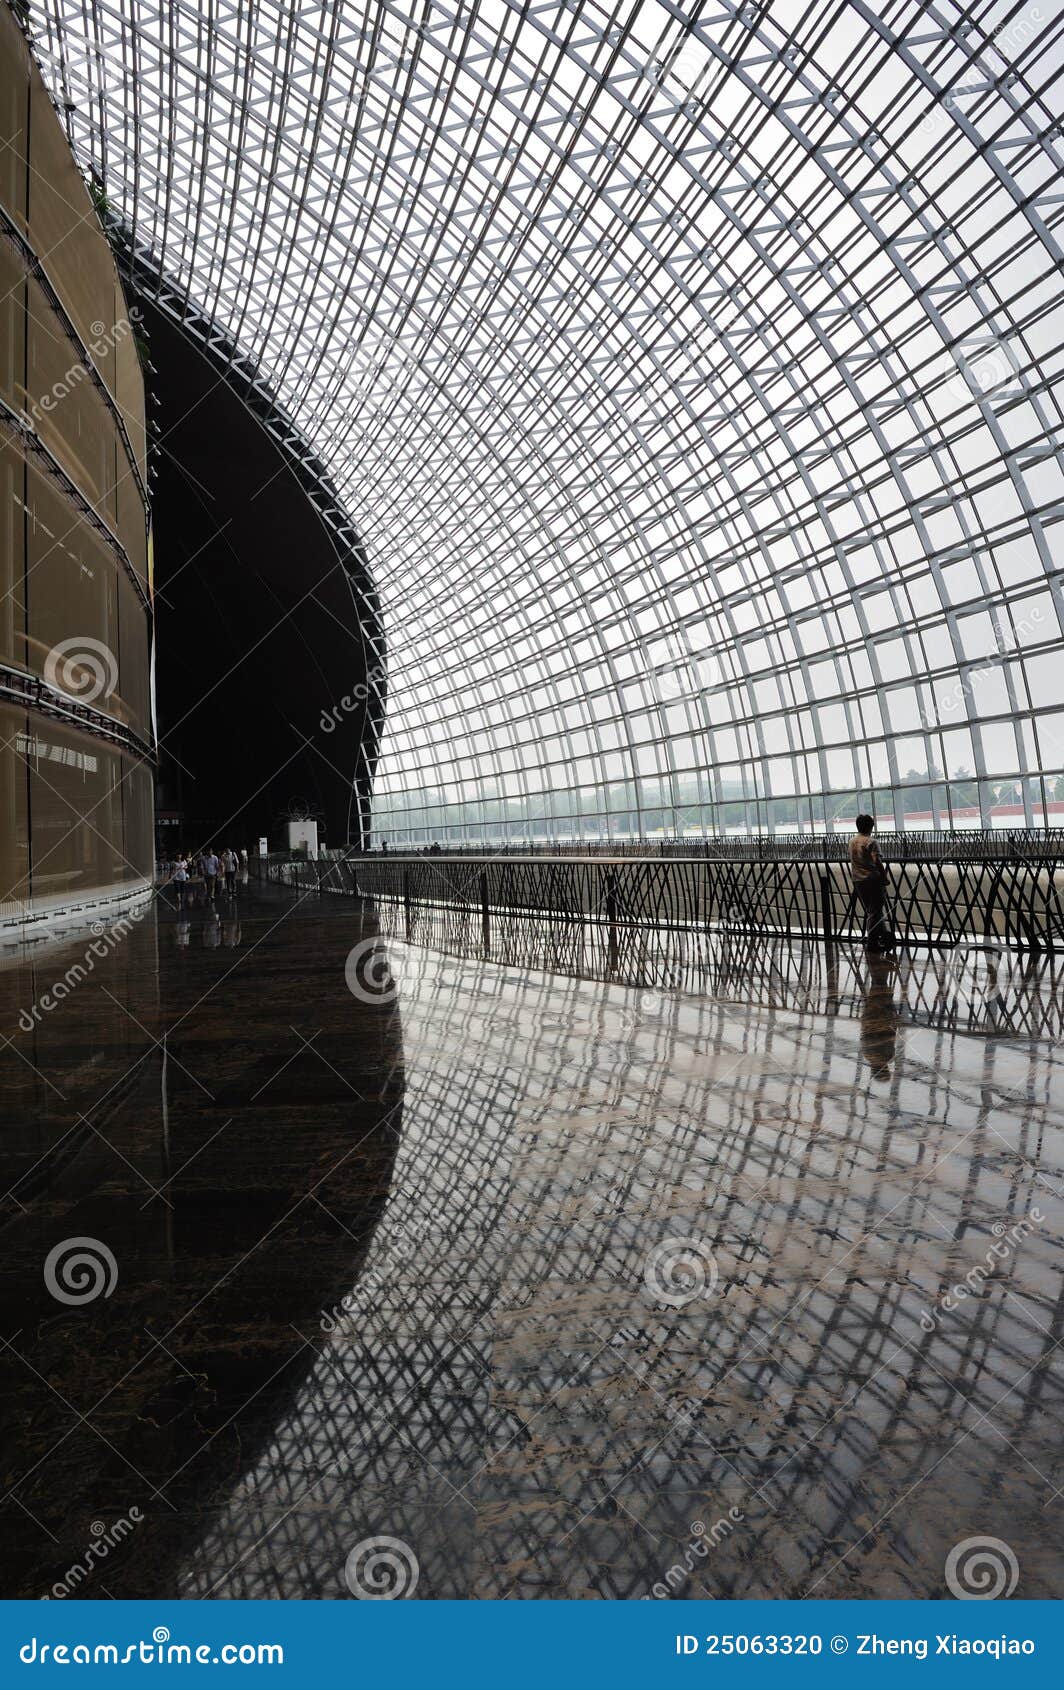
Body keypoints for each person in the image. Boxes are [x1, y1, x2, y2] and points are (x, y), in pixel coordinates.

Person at [849, 814, 893, 953]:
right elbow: (877, 861)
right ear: (871, 826)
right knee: (875, 912)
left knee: (873, 911)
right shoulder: (871, 842)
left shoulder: (852, 841)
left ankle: (885, 938)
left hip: (858, 880)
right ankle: (872, 942)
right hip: (872, 880)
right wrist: (884, 877)